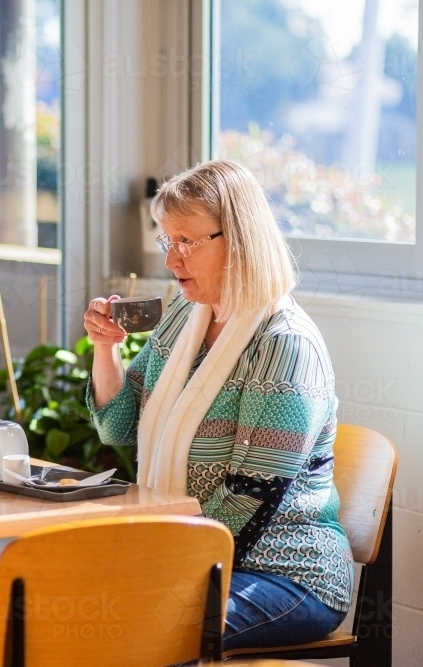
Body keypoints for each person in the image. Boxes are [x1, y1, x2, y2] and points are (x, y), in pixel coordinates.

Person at [85, 160, 353, 651]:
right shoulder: (186, 316)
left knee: (144, 624)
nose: (172, 260)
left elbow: (247, 501)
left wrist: (152, 567)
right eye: (168, 241)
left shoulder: (284, 346)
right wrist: (107, 349)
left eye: (187, 242)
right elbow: (116, 426)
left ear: (240, 239)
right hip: (195, 555)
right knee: (77, 601)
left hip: (287, 574)